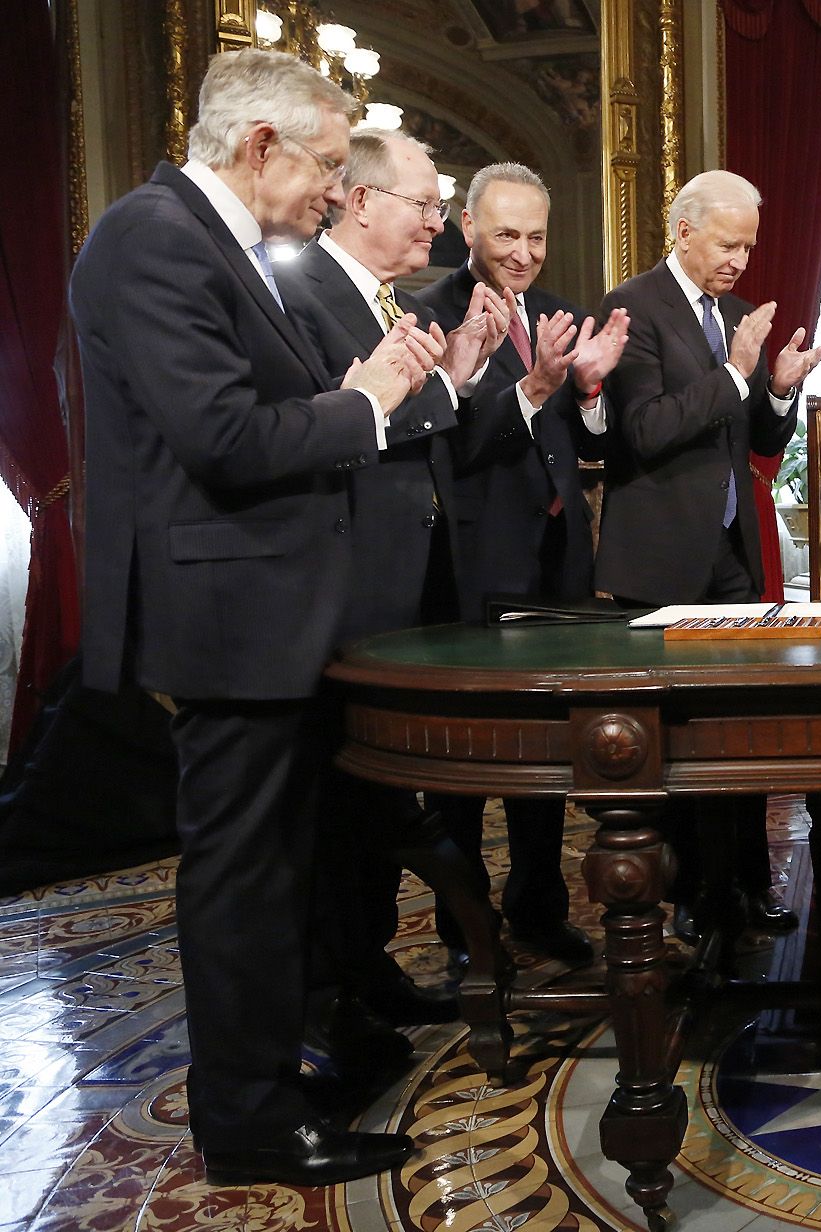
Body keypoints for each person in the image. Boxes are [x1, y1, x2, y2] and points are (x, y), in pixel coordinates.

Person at [69, 49, 434, 1185]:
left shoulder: (215, 238)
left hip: (268, 612)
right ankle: (251, 1121)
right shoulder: (154, 236)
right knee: (242, 881)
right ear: (261, 144)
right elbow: (221, 438)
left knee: (276, 872)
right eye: (327, 164)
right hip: (227, 617)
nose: (335, 188)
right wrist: (361, 403)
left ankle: (281, 1081)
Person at [277, 129, 512, 1036]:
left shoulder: (381, 301)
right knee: (335, 809)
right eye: (425, 203)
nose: (438, 222)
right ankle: (326, 993)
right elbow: (342, 429)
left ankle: (364, 965)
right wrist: (433, 386)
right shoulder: (302, 293)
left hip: (395, 593)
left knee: (368, 799)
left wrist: (454, 375)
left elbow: (404, 422)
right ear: (361, 200)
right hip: (338, 592)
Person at [595, 169, 821, 941]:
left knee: (738, 733)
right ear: (684, 230)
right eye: (728, 243)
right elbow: (646, 433)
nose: (739, 259)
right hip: (659, 562)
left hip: (730, 556)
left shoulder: (733, 315)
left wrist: (778, 393)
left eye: (748, 246)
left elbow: (757, 445)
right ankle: (693, 895)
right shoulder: (633, 307)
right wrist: (735, 372)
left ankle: (745, 881)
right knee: (680, 744)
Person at [416, 162, 628, 974]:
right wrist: (536, 386)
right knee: (466, 766)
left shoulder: (553, 311)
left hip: (556, 560)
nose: (523, 252)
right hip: (473, 565)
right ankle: (465, 929)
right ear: (465, 227)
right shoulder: (424, 315)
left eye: (536, 236)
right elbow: (453, 446)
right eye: (506, 234)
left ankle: (537, 909)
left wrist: (591, 389)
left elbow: (593, 441)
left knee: (548, 750)